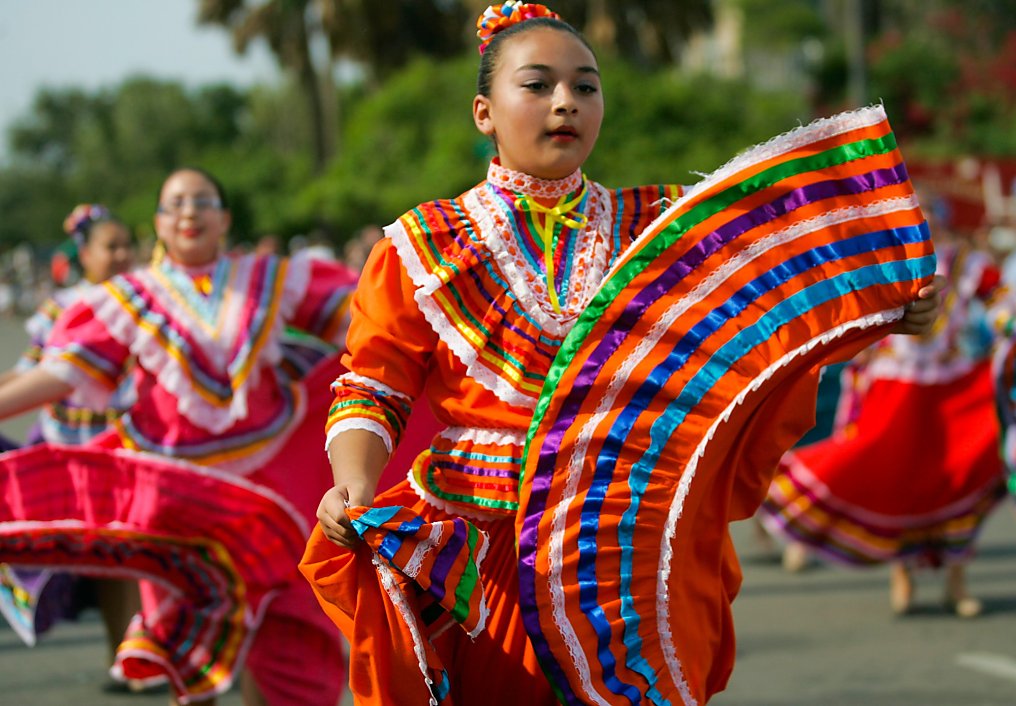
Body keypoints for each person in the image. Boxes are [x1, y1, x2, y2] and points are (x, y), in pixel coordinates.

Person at [299, 3, 943, 705]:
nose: (565, 102)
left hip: (629, 541)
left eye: (585, 85)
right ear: (484, 112)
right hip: (490, 552)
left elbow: (766, 323)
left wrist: (881, 309)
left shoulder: (662, 230)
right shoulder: (422, 245)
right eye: (538, 85)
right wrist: (353, 480)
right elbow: (373, 383)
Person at [0, 168, 357, 706]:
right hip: (177, 497)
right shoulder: (128, 299)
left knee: (285, 635)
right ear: (160, 224)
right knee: (189, 652)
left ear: (224, 217)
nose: (189, 212)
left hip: (269, 492)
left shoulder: (272, 278)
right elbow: (63, 374)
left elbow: (364, 324)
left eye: (202, 201)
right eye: (176, 205)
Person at [760, 222, 1007, 617]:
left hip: (954, 389)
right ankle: (902, 573)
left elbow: (999, 299)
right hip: (896, 388)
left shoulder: (967, 263)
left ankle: (956, 582)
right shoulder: (881, 259)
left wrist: (1004, 323)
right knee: (896, 477)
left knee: (960, 475)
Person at [0, 204, 139, 676]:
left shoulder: (147, 299)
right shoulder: (60, 307)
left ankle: (127, 655)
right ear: (85, 254)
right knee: (95, 556)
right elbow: (31, 372)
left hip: (128, 444)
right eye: (110, 246)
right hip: (66, 444)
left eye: (126, 245)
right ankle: (121, 650)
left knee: (125, 554)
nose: (121, 255)